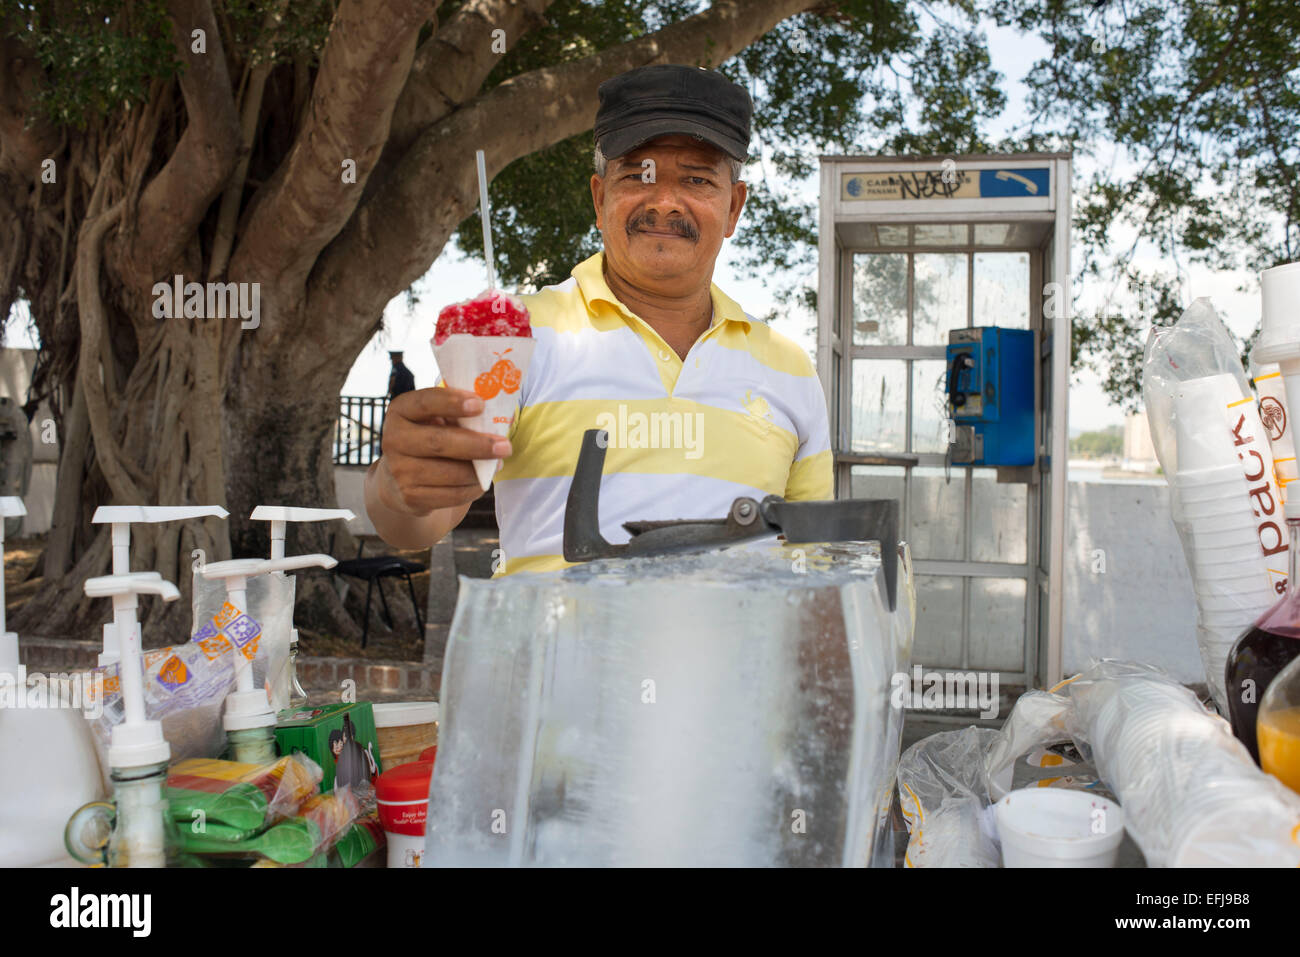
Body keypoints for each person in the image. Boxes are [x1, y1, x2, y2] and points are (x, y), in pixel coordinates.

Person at [365, 64, 832, 573]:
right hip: (551, 653)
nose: (664, 202)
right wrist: (396, 485)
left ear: (734, 208)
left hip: (739, 654)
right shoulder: (513, 338)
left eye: (697, 179)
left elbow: (812, 559)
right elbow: (417, 523)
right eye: (636, 174)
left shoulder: (790, 367)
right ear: (600, 196)